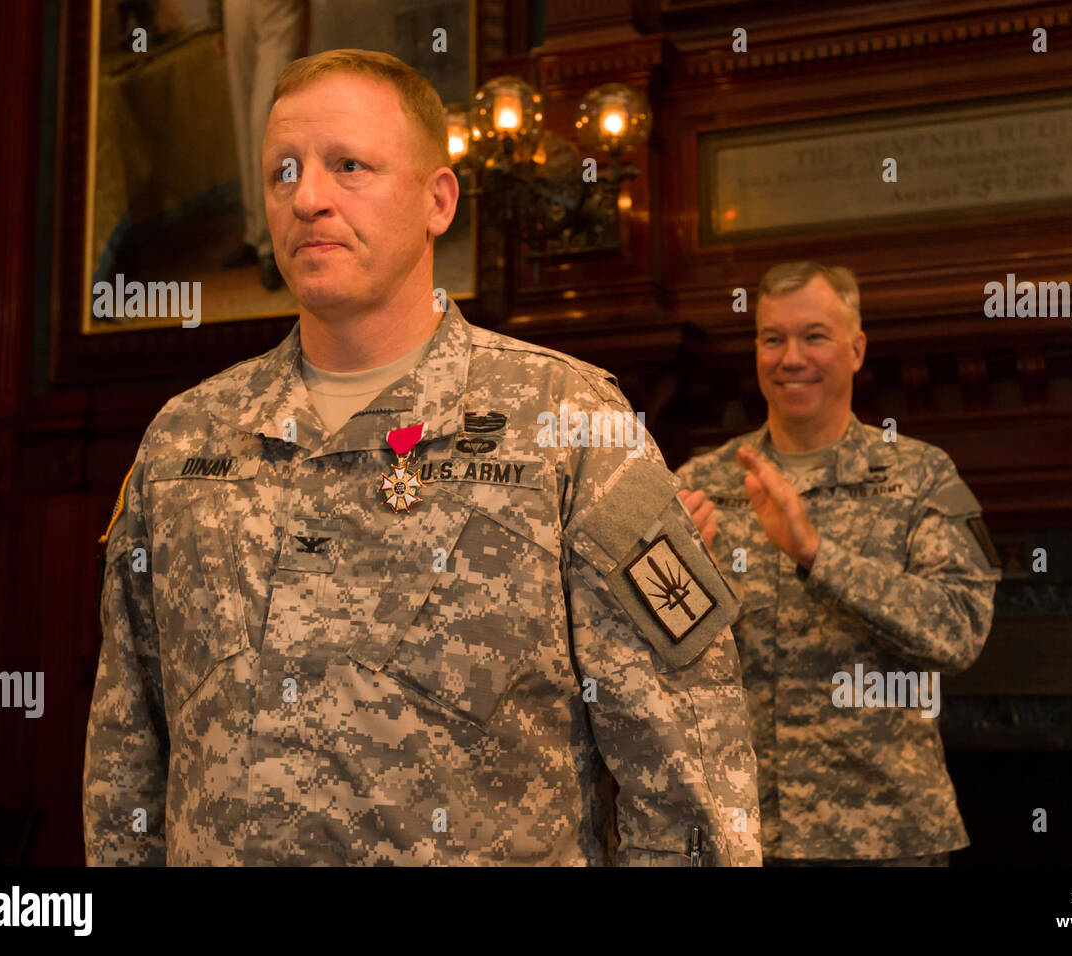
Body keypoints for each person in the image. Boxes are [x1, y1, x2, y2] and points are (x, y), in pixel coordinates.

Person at [83, 49, 760, 866]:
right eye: (284, 173)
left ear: (439, 200)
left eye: (349, 166)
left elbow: (685, 771)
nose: (308, 198)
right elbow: (126, 756)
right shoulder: (186, 440)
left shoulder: (572, 423)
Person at [676, 262, 1001, 866]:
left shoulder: (921, 475)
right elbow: (647, 655)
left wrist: (817, 556)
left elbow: (958, 632)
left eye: (814, 336)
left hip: (883, 835)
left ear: (856, 349)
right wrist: (673, 582)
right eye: (772, 338)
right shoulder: (697, 484)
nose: (790, 357)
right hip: (734, 833)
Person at [209, 0, 307, 290]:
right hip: (235, 8)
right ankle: (255, 235)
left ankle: (274, 244)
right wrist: (217, 19)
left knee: (267, 116)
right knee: (242, 112)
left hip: (278, 8)